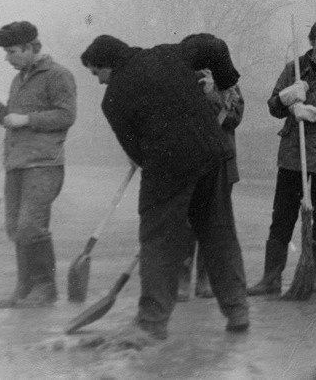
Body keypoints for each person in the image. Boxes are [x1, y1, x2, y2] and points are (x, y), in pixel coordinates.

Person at [81, 33, 249, 340]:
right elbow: (214, 45)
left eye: (96, 73)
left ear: (107, 64)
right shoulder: (170, 53)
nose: (99, 82)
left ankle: (152, 320)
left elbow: (136, 153)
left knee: (158, 240)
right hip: (212, 152)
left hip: (167, 166)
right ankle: (237, 310)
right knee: (218, 231)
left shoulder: (113, 99)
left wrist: (152, 157)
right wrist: (226, 82)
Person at [247, 18, 316, 298]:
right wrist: (287, 97)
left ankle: (315, 276)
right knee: (282, 216)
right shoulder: (294, 69)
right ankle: (270, 278)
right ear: (312, 41)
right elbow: (273, 107)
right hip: (293, 155)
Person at [0, 21, 76, 308]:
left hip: (43, 164)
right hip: (16, 163)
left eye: (12, 51)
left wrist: (27, 119)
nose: (7, 58)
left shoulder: (58, 75)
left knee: (31, 226)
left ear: (31, 48)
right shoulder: (20, 79)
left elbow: (67, 116)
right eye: (6, 52)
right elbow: (9, 121)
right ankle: (26, 285)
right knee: (15, 227)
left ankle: (46, 286)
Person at [177, 33, 246, 301]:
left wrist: (212, 94)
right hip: (190, 164)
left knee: (213, 225)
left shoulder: (229, 86)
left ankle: (205, 281)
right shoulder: (182, 81)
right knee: (185, 224)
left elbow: (235, 117)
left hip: (220, 165)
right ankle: (182, 280)